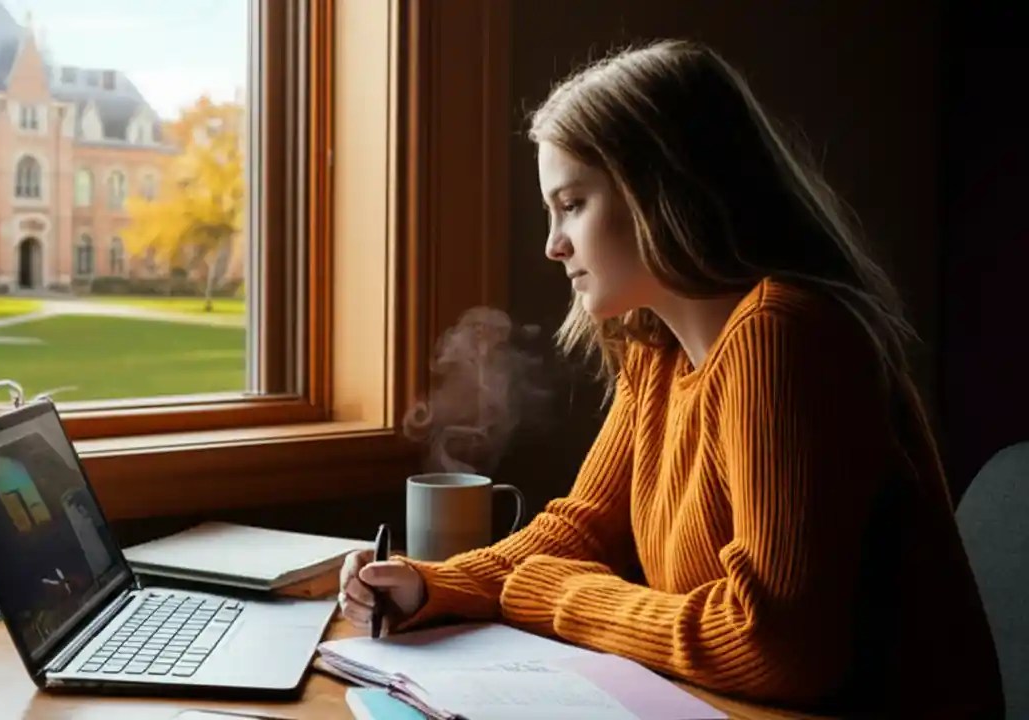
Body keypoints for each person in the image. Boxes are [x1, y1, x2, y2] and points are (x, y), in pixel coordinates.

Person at [338, 40, 1003, 717]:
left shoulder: (784, 334)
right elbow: (583, 528)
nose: (552, 243)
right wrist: (430, 585)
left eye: (571, 203)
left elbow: (774, 644)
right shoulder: (656, 348)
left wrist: (559, 596)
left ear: (661, 188)